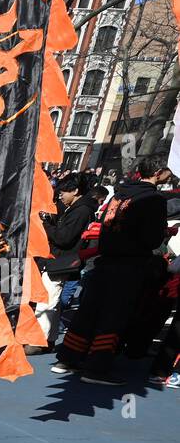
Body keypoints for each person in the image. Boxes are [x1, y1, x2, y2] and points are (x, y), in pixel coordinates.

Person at [55, 157, 172, 385]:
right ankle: (96, 367)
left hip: (106, 259)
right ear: (158, 172)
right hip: (129, 263)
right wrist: (164, 232)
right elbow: (151, 237)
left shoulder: (119, 193)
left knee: (89, 312)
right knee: (114, 316)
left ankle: (68, 358)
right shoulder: (153, 199)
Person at [31, 173, 97, 354]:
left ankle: (39, 340)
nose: (60, 195)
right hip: (61, 259)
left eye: (63, 192)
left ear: (75, 191)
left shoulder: (81, 210)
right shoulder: (77, 208)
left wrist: (45, 226)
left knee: (48, 300)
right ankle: (49, 337)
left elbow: (64, 237)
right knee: (53, 300)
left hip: (62, 259)